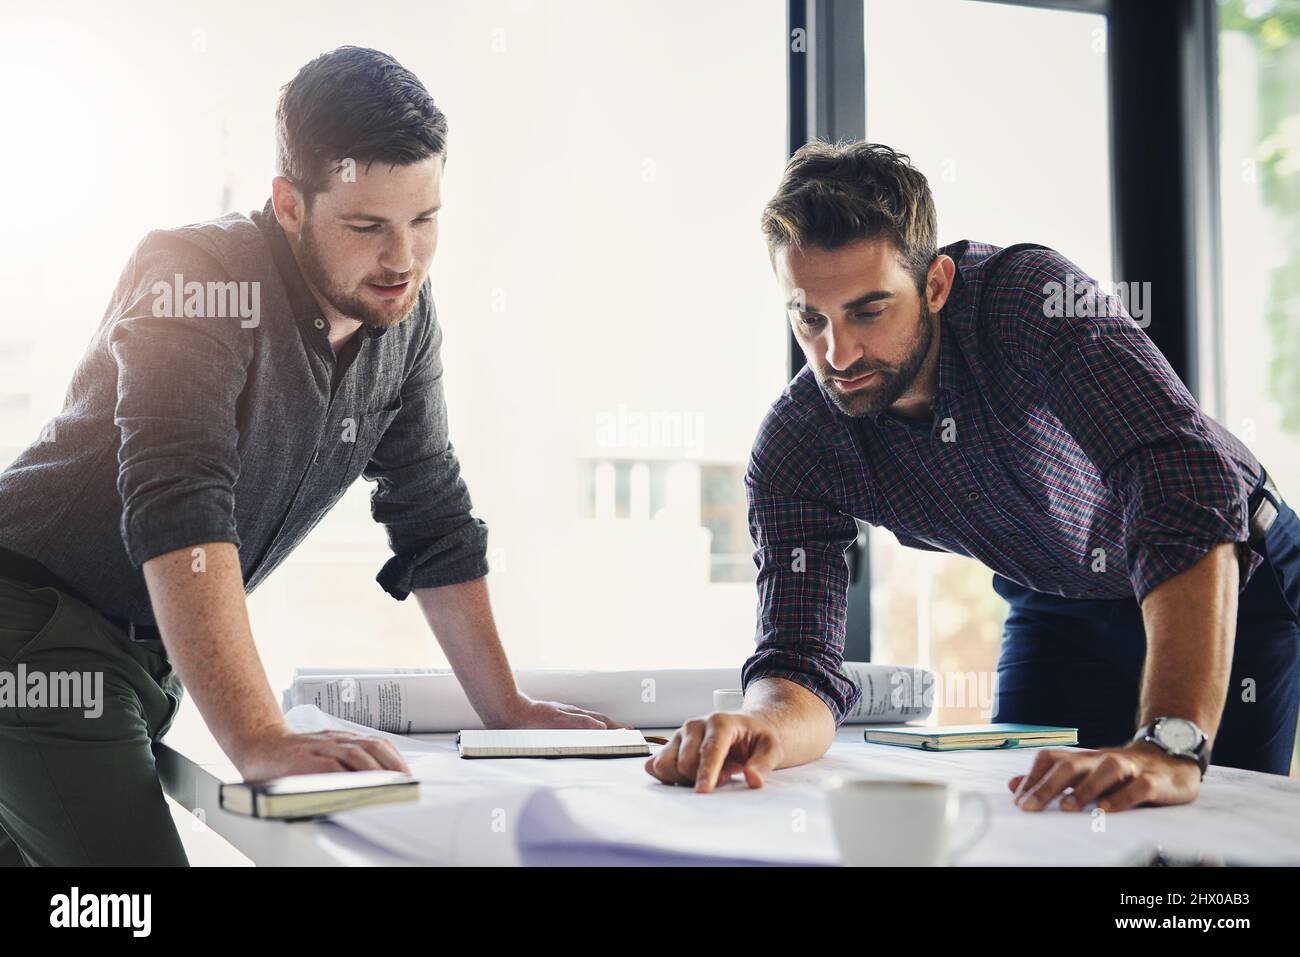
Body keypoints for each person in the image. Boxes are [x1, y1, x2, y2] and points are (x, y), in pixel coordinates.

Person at [0, 46, 612, 866]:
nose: (403, 260)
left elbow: (431, 508)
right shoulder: (193, 275)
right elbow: (178, 499)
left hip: (144, 655)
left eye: (424, 221)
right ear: (288, 204)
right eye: (366, 228)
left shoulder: (404, 319)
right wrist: (258, 736)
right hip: (35, 629)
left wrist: (505, 707)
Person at [645, 141, 1300, 813]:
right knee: (1036, 815)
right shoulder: (799, 446)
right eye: (810, 317)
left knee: (1203, 835)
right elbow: (798, 662)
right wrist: (764, 724)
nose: (837, 354)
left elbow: (1184, 479)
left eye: (869, 310)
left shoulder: (1031, 300)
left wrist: (1169, 744)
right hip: (1059, 599)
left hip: (1225, 567)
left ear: (936, 285)